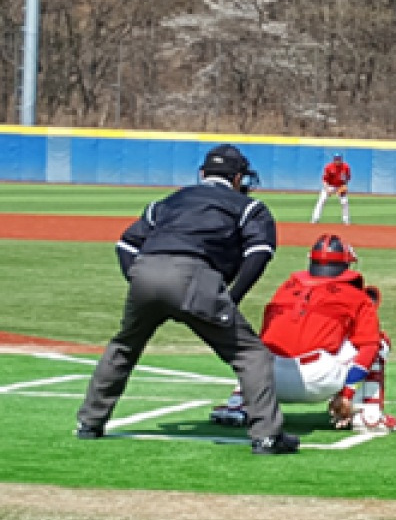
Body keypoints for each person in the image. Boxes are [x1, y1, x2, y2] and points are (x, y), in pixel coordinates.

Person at [75, 144, 300, 455]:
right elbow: (259, 254)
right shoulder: (249, 207)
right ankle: (266, 436)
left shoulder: (167, 202)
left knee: (124, 346)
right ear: (238, 178)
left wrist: (139, 279)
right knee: (250, 354)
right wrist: (231, 296)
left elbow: (125, 245)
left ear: (204, 174)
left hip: (146, 273)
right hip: (197, 277)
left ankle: (89, 422)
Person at [209, 233, 396, 432]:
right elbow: (368, 346)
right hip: (318, 381)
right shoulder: (357, 296)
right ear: (345, 266)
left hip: (268, 382)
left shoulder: (286, 288)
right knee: (377, 342)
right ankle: (369, 414)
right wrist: (347, 393)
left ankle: (239, 403)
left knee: (259, 350)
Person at [311, 153, 352, 225]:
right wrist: (327, 189)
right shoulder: (329, 167)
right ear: (334, 159)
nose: (337, 160)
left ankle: (346, 220)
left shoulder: (346, 167)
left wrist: (345, 186)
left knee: (344, 202)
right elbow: (324, 180)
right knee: (322, 200)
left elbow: (347, 178)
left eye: (339, 159)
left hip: (340, 186)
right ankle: (315, 219)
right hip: (329, 186)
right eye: (336, 159)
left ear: (341, 159)